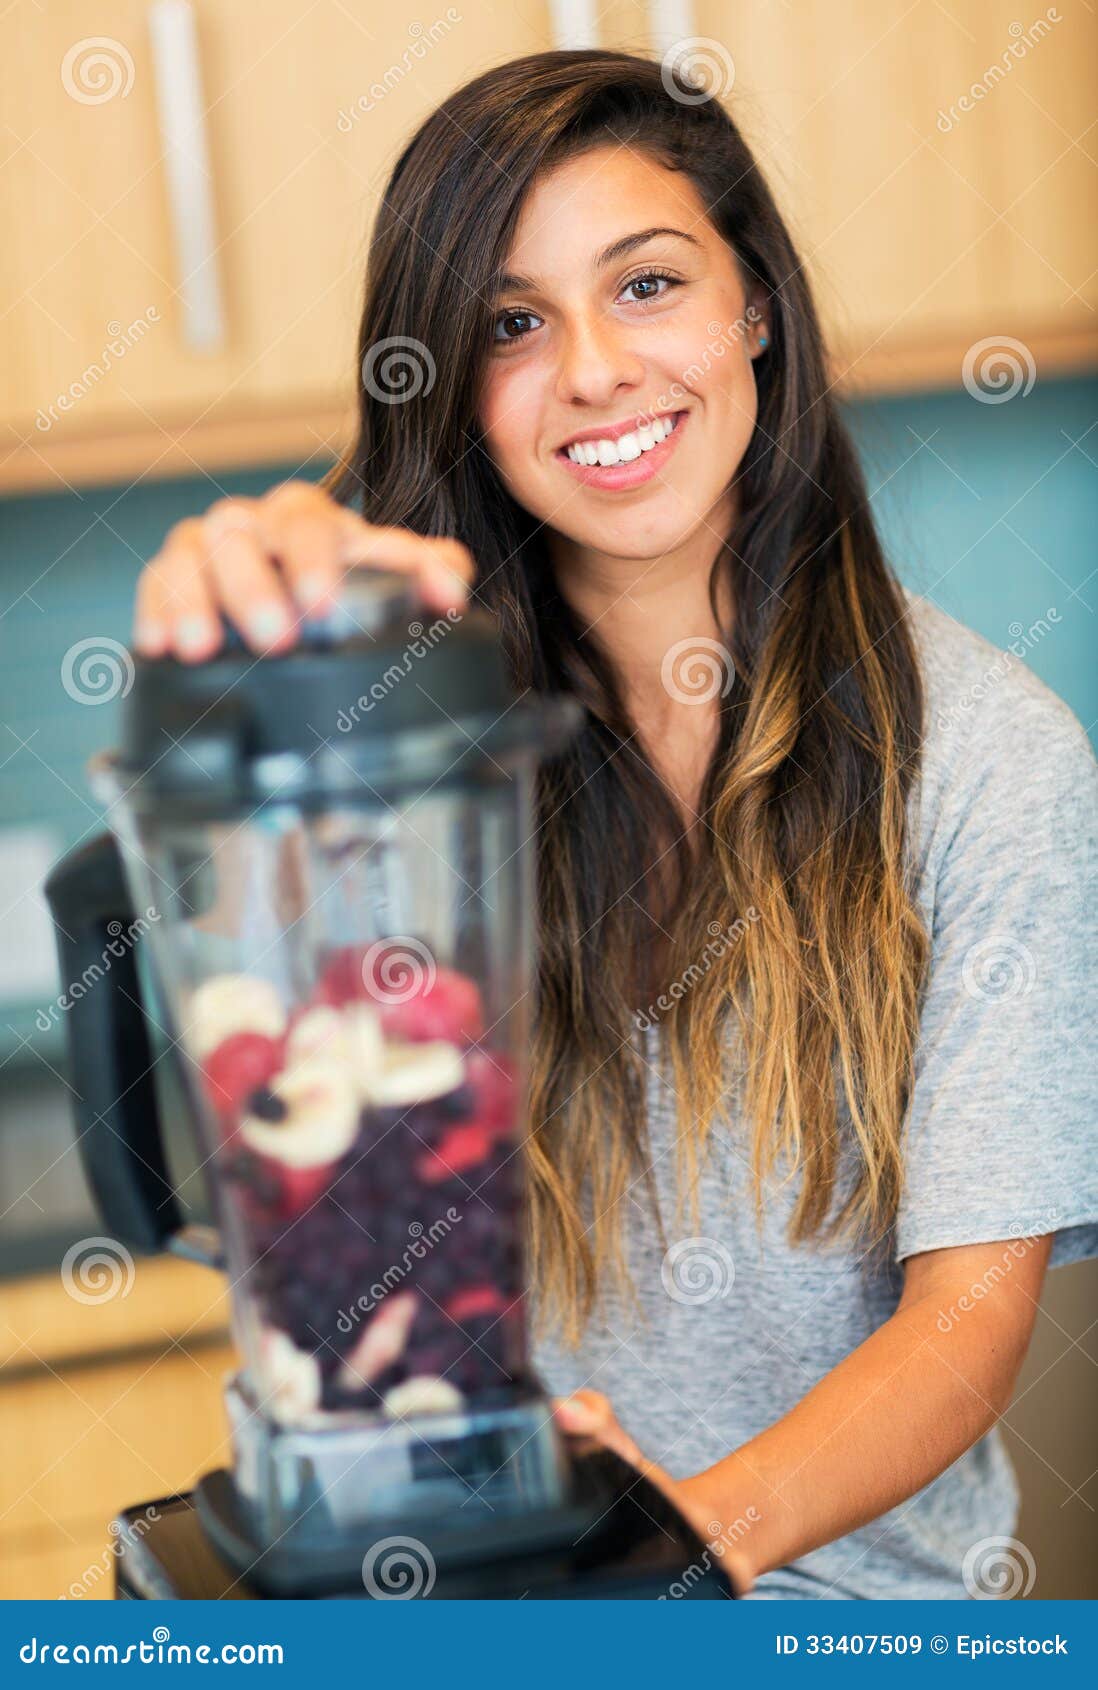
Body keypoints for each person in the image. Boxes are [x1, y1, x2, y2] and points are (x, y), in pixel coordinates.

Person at [130, 51, 1097, 1599]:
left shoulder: (988, 761)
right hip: (481, 1588)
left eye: (646, 285)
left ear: (753, 308)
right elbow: (288, 1063)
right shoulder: (411, 761)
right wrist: (256, 616)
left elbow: (963, 1329)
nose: (591, 368)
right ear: (446, 380)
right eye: (511, 324)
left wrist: (663, 1552)